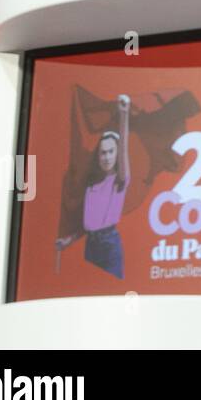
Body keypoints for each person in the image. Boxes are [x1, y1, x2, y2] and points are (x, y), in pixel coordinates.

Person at [56, 95, 131, 279]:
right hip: (91, 246)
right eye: (103, 152)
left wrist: (124, 115)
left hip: (109, 245)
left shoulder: (119, 180)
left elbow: (124, 147)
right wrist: (69, 241)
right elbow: (88, 224)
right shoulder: (91, 186)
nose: (106, 157)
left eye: (111, 152)